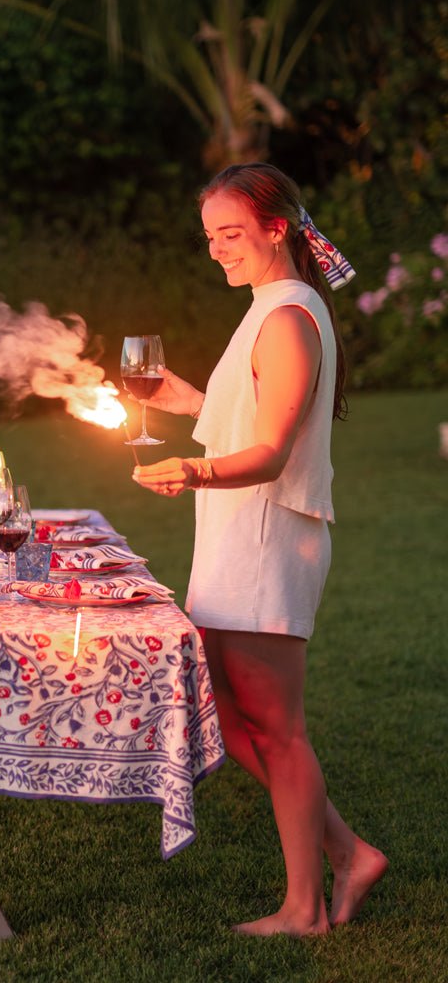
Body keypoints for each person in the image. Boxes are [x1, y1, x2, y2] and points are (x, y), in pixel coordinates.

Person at [132, 162, 387, 937]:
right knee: (228, 715)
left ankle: (305, 907)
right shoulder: (271, 307)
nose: (217, 250)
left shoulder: (286, 315)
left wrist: (192, 468)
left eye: (232, 234)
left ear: (278, 229)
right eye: (210, 237)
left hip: (268, 542)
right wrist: (188, 403)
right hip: (239, 538)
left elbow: (273, 449)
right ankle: (348, 852)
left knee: (276, 727)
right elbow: (255, 412)